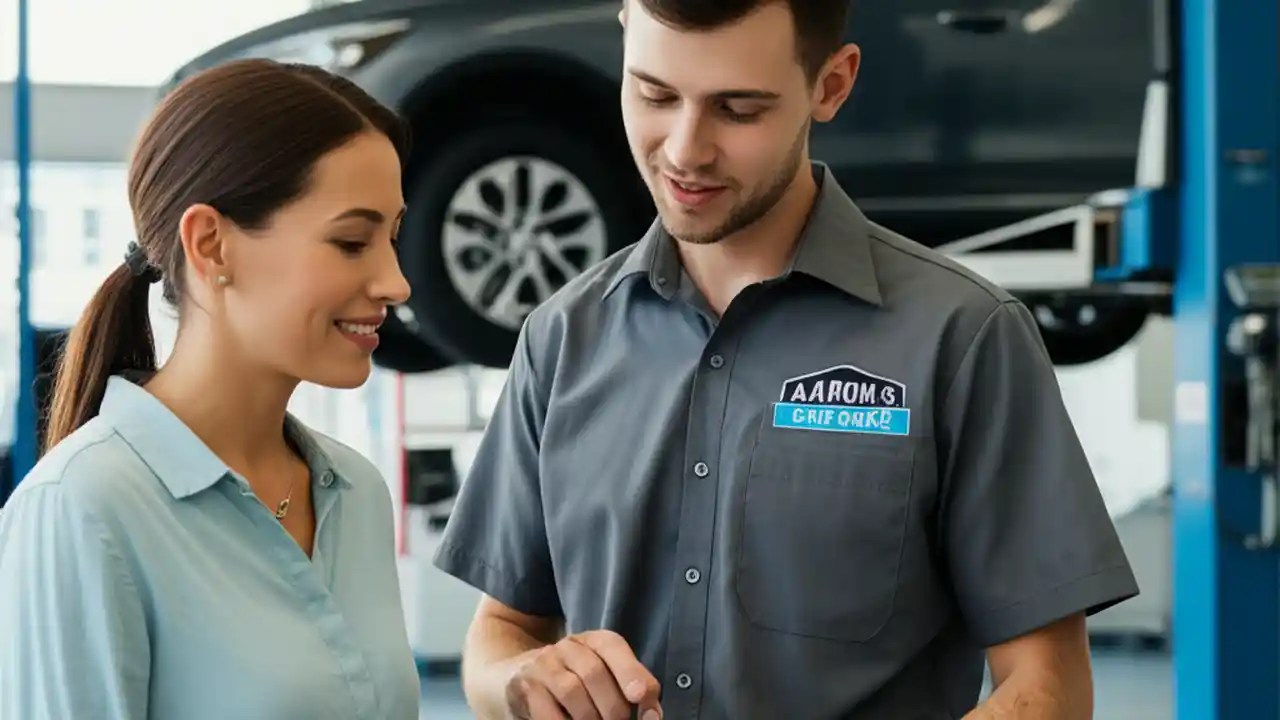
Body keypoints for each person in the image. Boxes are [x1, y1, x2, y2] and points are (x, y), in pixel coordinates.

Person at [432, 1, 1141, 719]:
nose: (685, 150)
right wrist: (521, 680)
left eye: (737, 110)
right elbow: (502, 632)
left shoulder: (963, 339)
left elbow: (1048, 685)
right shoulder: (560, 338)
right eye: (654, 95)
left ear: (831, 84)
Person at [0, 59, 420, 720]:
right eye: (351, 241)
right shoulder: (83, 508)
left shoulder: (356, 491)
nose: (396, 282)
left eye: (392, 239)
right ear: (211, 245)